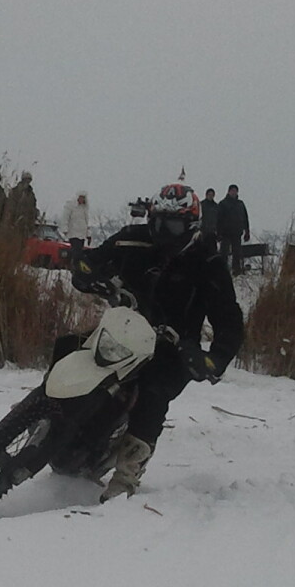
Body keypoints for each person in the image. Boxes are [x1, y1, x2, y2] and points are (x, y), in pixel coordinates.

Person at [69, 182, 244, 501]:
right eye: (159, 222)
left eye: (173, 224)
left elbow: (229, 319)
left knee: (153, 394)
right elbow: (94, 259)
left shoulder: (208, 263)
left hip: (174, 349)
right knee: (70, 348)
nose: (164, 231)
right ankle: (41, 412)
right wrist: (83, 270)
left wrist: (214, 358)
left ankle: (125, 477)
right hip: (122, 329)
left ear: (190, 224)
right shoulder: (130, 238)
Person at [216, 184, 251, 275]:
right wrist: (218, 233)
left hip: (237, 232)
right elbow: (218, 219)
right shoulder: (223, 204)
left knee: (237, 253)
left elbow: (245, 218)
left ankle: (236, 271)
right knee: (224, 254)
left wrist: (247, 231)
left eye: (235, 191)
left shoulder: (240, 204)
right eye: (232, 191)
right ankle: (222, 271)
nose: (234, 192)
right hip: (225, 233)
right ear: (228, 192)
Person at [62, 191, 92, 259]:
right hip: (73, 234)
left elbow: (87, 222)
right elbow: (65, 218)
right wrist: (65, 229)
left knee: (80, 252)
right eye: (80, 197)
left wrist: (88, 235)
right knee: (76, 252)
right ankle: (74, 266)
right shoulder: (70, 206)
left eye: (83, 198)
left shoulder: (84, 208)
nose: (82, 199)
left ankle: (77, 265)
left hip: (82, 234)